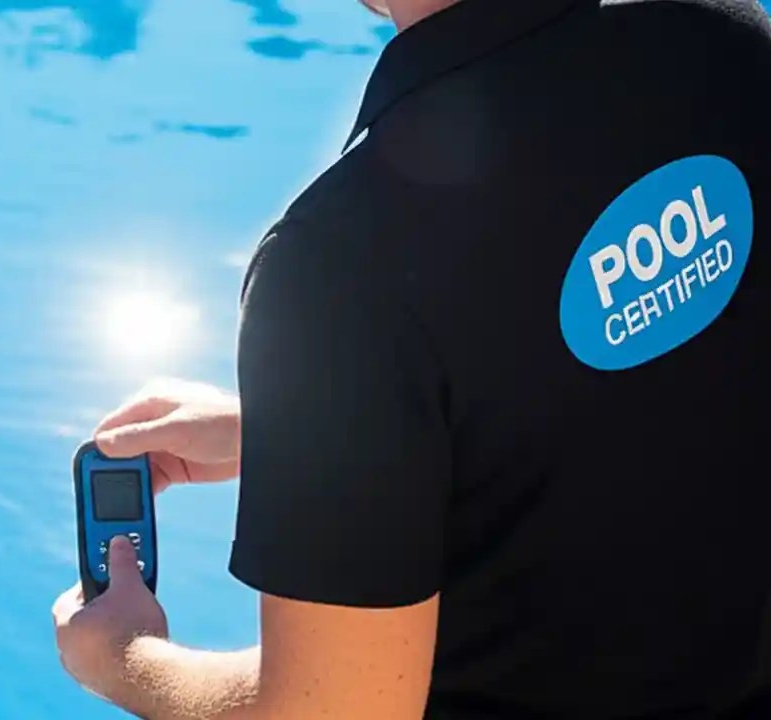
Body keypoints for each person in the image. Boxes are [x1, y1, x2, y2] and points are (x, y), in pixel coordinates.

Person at [51, 0, 771, 717]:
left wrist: (121, 657)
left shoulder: (340, 263)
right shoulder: (732, 46)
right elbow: (653, 382)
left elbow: (332, 710)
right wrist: (314, 437)